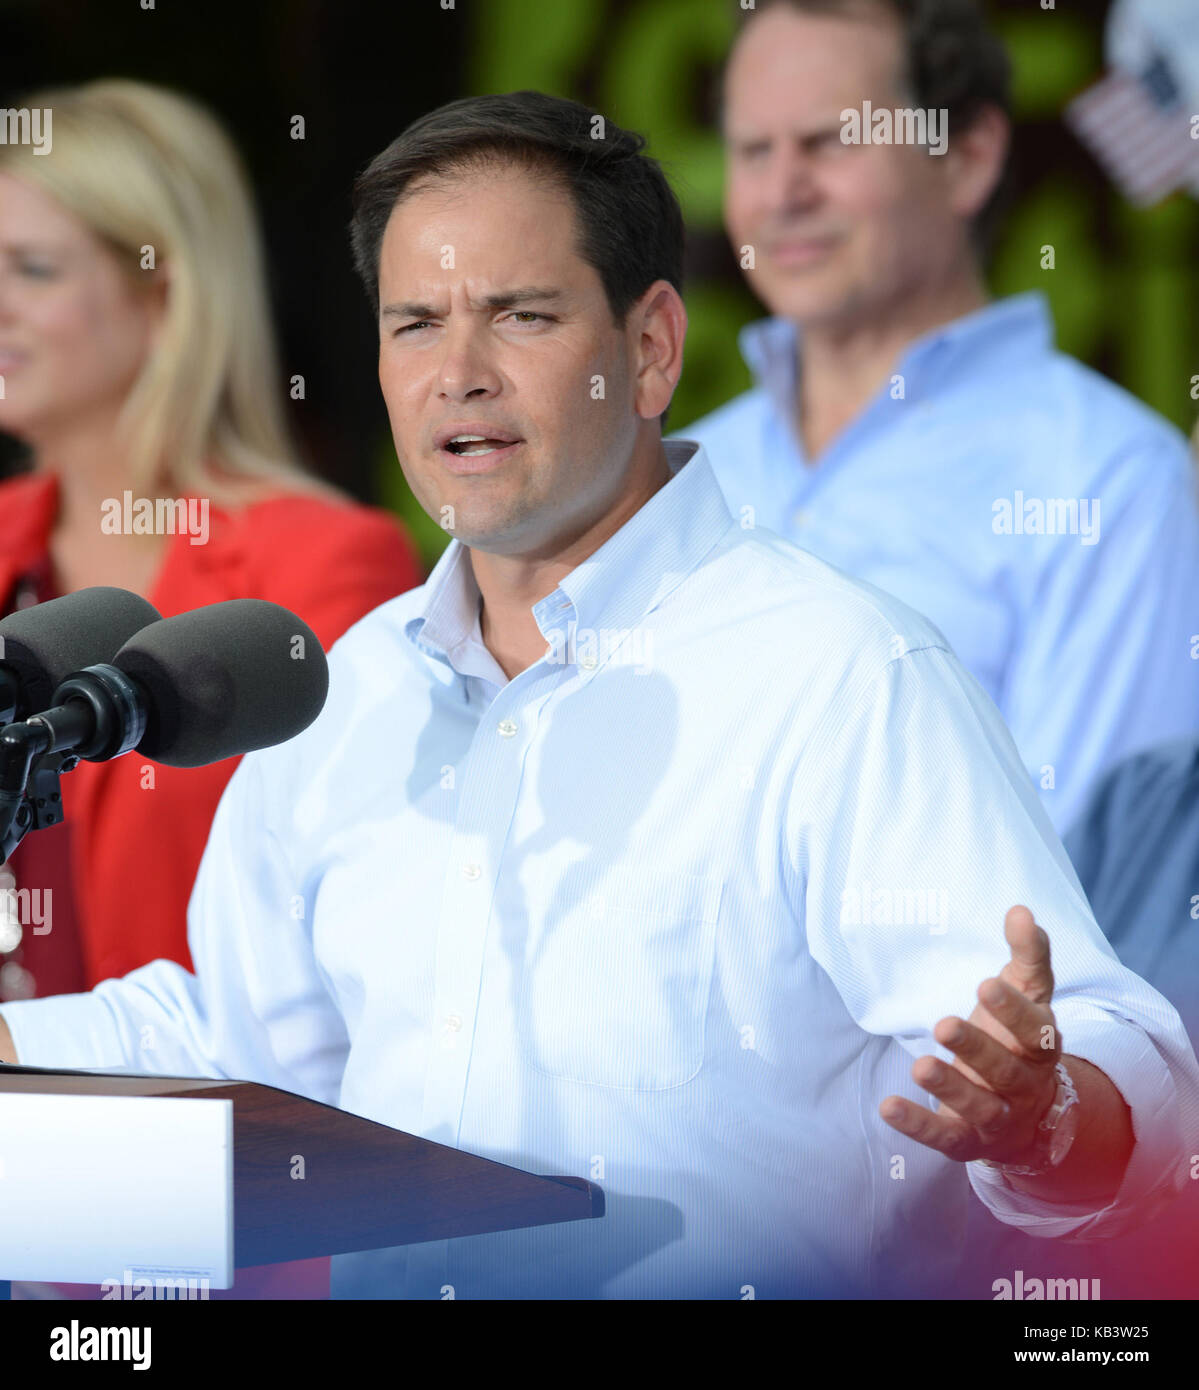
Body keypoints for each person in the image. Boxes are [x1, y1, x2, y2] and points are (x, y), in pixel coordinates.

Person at [0, 91, 1194, 1301]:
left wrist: (1044, 1113)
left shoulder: (840, 674)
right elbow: (241, 1045)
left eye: (518, 317)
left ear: (650, 348)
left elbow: (1107, 1047)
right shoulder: (351, 686)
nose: (456, 374)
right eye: (414, 323)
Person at [0, 80, 423, 1301]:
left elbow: (338, 945)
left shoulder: (319, 567)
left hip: (202, 1203)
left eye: (31, 268)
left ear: (165, 290)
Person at [680, 0, 1199, 834]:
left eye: (829, 141)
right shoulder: (679, 470)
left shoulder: (1109, 479)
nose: (782, 192)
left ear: (966, 156)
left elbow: (1082, 914)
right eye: (751, 150)